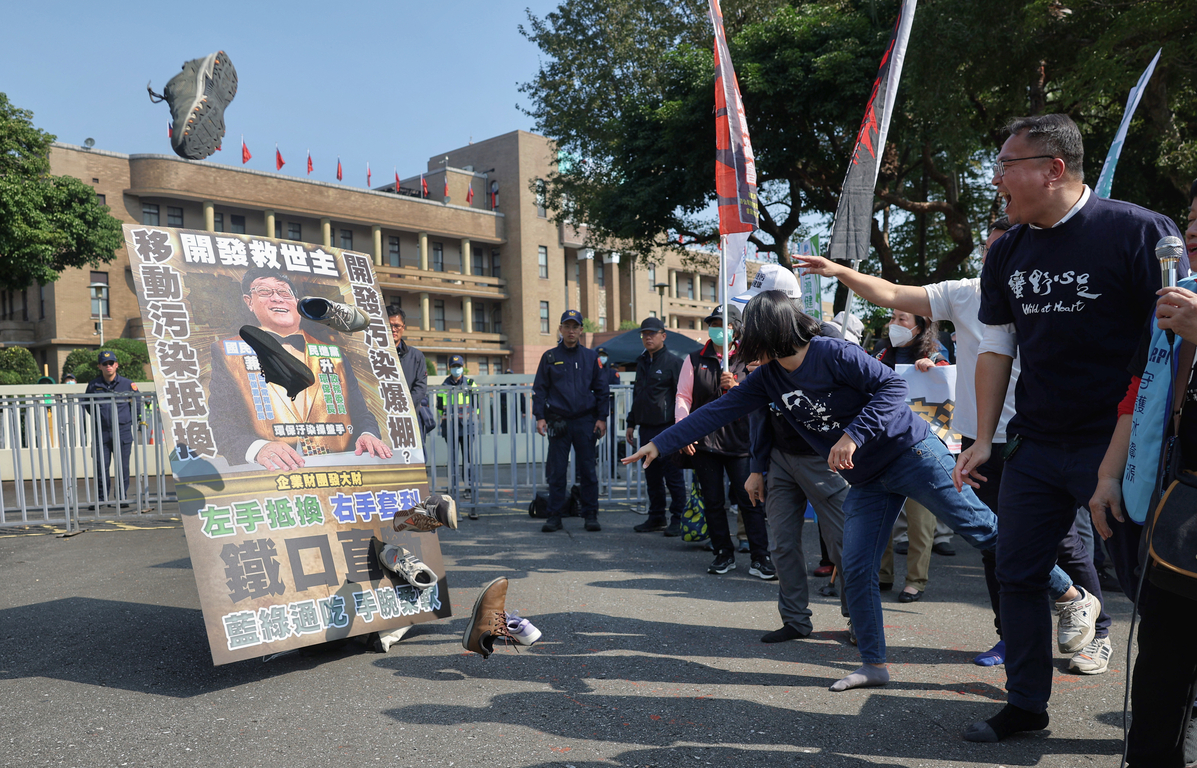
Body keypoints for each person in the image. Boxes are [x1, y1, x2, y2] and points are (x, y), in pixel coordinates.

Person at [624, 291, 1081, 694]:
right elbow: (718, 410)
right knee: (856, 568)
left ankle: (1070, 596)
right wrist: (658, 443)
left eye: (747, 335)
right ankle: (874, 665)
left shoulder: (833, 352)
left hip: (912, 453)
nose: (741, 346)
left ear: (771, 331)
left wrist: (852, 435)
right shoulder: (766, 379)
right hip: (868, 479)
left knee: (982, 531)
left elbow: (893, 386)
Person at [952, 113, 1185, 743]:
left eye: (1006, 164)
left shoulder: (1139, 232)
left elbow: (1167, 349)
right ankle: (1026, 704)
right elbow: (997, 348)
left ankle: (1171, 714)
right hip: (1035, 442)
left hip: (1125, 447)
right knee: (1018, 573)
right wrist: (981, 439)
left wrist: (1128, 453)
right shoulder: (1007, 251)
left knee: (1154, 586)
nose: (997, 178)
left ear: (1054, 168)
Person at [800, 216, 1115, 668]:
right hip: (982, 442)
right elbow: (892, 292)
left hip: (1044, 436)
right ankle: (1010, 637)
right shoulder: (966, 292)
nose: (992, 258)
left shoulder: (1053, 290)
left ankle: (1094, 634)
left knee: (1064, 543)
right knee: (992, 540)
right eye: (987, 251)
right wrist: (840, 272)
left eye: (1001, 249)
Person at [1088, 179, 1197, 766]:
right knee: (1160, 667)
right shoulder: (1172, 306)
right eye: (1193, 217)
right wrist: (1108, 475)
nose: (1195, 230)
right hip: (1176, 508)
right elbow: (1137, 394)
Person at [737, 265, 852, 641]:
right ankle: (795, 621)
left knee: (845, 545)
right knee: (782, 543)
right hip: (780, 459)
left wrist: (852, 440)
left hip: (828, 460)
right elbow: (757, 412)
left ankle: (860, 621)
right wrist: (756, 467)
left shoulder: (829, 339)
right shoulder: (761, 345)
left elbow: (875, 392)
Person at [208, 268, 390, 470]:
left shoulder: (333, 354)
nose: (277, 298)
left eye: (285, 292)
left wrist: (368, 435)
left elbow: (361, 414)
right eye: (265, 292)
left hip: (338, 473)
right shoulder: (226, 353)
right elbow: (222, 424)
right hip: (269, 481)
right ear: (249, 301)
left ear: (297, 303)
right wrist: (258, 448)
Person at [676, 304, 772, 578]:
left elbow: (764, 394)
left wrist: (738, 388)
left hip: (742, 442)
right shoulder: (695, 359)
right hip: (706, 441)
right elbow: (683, 397)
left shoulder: (751, 358)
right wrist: (683, 430)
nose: (719, 329)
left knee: (750, 500)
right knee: (713, 500)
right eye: (715, 323)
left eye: (725, 324)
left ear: (737, 328)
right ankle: (723, 552)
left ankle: (760, 557)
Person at [873, 310, 948, 603]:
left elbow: (948, 378)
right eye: (892, 318)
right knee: (882, 517)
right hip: (883, 448)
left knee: (921, 520)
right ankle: (882, 573)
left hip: (922, 449)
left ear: (919, 327)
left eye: (902, 319)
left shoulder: (934, 352)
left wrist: (936, 367)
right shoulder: (881, 354)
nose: (894, 324)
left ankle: (916, 580)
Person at [533, 309, 610, 532]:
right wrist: (540, 417)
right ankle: (554, 516)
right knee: (557, 471)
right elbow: (540, 389)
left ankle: (590, 515)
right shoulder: (549, 357)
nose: (571, 331)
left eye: (575, 327)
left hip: (586, 421)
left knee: (588, 470)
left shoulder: (591, 357)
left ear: (581, 330)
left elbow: (602, 390)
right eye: (567, 326)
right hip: (559, 421)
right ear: (560, 329)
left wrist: (602, 418)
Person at [625, 317, 686, 536]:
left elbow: (682, 397)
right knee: (651, 476)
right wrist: (631, 423)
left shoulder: (673, 362)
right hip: (646, 428)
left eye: (652, 333)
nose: (648, 337)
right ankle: (656, 516)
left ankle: (678, 518)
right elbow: (638, 394)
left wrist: (682, 427)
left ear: (663, 335)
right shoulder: (641, 361)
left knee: (673, 477)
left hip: (668, 428)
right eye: (644, 334)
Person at [85, 350, 138, 506]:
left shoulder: (128, 384)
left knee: (122, 467)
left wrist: (135, 421)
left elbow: (137, 403)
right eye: (104, 364)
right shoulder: (94, 385)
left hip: (122, 431)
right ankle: (102, 499)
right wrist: (99, 418)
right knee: (101, 467)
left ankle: (121, 498)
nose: (108, 366)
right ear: (99, 366)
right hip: (102, 432)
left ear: (116, 365)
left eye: (111, 363)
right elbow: (88, 405)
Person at [388, 306, 435, 440]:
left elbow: (420, 387)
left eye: (397, 326)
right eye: (389, 325)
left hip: (411, 417)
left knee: (416, 458)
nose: (393, 330)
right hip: (384, 418)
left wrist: (404, 408)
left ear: (403, 327)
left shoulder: (416, 356)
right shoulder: (373, 354)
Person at [438, 354, 477, 485]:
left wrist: (470, 418)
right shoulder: (444, 385)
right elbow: (439, 407)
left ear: (463, 367)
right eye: (454, 366)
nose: (456, 369)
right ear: (450, 368)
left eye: (459, 366)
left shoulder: (471, 384)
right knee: (453, 458)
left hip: (467, 427)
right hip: (450, 426)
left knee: (468, 458)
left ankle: (468, 485)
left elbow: (477, 405)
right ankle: (453, 486)